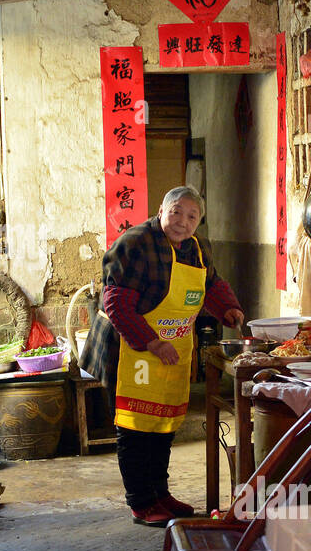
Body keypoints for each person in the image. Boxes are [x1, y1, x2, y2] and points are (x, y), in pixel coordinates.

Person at [81, 187, 245, 526]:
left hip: (172, 347)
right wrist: (152, 343)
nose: (182, 222)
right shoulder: (134, 243)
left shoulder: (198, 248)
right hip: (130, 346)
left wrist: (228, 309)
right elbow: (116, 304)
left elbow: (210, 284)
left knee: (164, 422)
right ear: (161, 209)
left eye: (191, 216)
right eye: (176, 212)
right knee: (136, 427)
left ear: (198, 221)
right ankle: (141, 502)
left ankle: (160, 492)